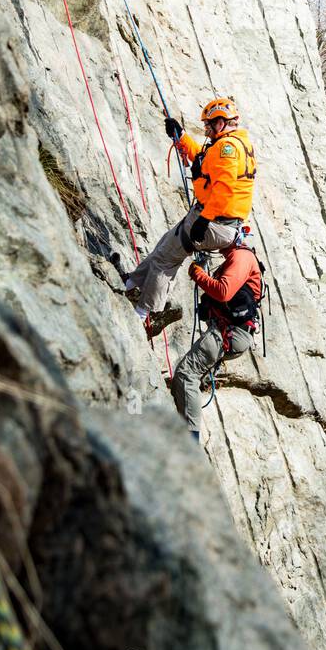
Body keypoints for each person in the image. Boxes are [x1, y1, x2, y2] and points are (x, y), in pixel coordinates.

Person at [123, 96, 256, 335]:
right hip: (219, 222)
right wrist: (181, 136)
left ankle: (143, 313)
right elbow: (206, 161)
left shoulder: (228, 148)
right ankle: (131, 283)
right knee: (166, 244)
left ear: (221, 122)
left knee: (166, 259)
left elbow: (223, 187)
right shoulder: (233, 144)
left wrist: (205, 218)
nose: (206, 130)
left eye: (209, 125)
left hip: (213, 221)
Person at [172, 232, 263, 440]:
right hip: (230, 332)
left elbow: (223, 292)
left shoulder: (241, 257)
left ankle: (190, 442)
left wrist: (198, 275)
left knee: (187, 375)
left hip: (229, 332)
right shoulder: (236, 258)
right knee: (189, 377)